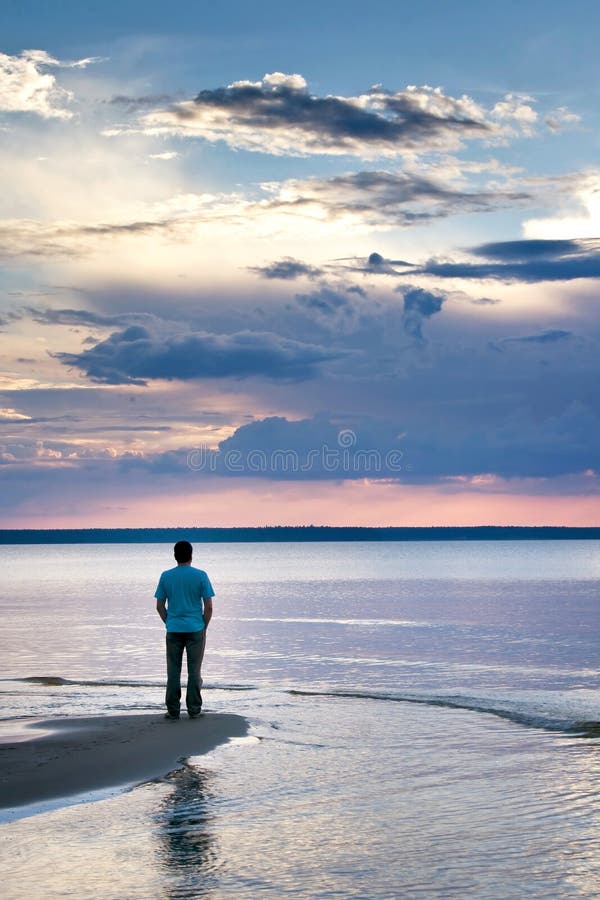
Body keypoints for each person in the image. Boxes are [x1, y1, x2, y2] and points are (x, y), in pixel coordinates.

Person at [155, 540, 214, 720]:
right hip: (195, 628)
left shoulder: (166, 576)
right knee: (194, 671)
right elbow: (209, 607)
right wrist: (204, 626)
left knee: (173, 671)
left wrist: (169, 622)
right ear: (191, 555)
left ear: (175, 556)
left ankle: (173, 710)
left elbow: (159, 606)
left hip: (174, 629)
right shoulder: (200, 575)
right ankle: (194, 709)